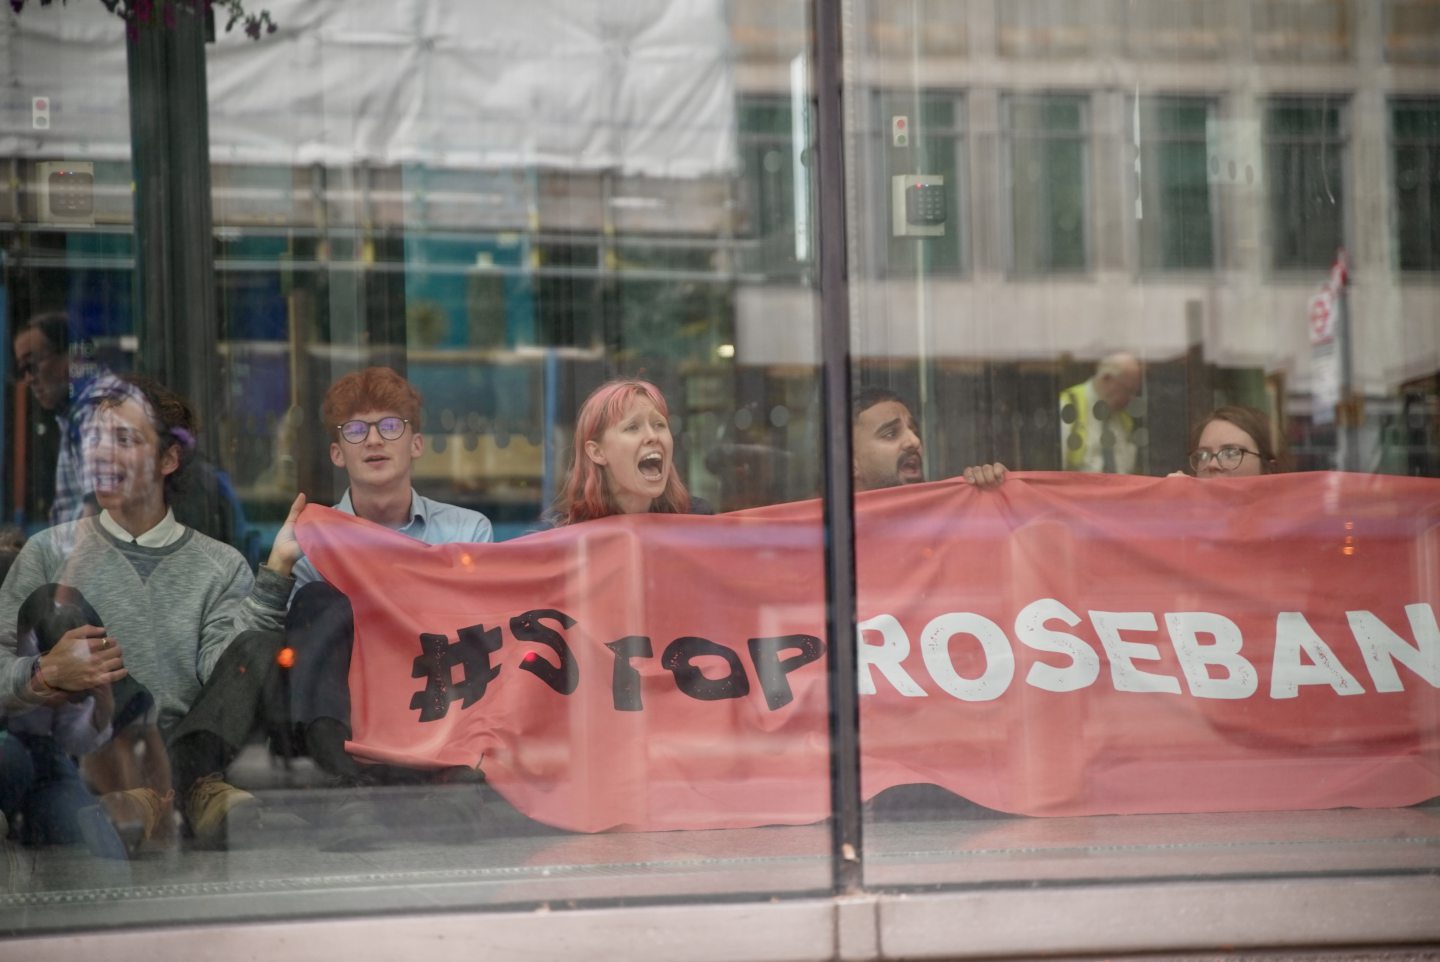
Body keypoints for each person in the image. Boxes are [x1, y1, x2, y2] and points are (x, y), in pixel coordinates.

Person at [0, 374, 303, 855]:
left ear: (168, 459)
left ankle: (176, 792)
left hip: (186, 762)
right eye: (94, 439)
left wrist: (277, 572)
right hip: (81, 769)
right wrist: (43, 673)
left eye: (124, 439)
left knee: (257, 646)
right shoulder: (48, 554)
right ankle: (156, 798)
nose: (102, 454)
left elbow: (225, 674)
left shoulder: (219, 566)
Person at [271, 367, 494, 850]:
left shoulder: (468, 530)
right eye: (355, 429)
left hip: (437, 709)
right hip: (357, 718)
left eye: (390, 425)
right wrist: (278, 567)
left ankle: (455, 776)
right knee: (314, 601)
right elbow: (276, 650)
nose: (374, 439)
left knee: (475, 616)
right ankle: (345, 788)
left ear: (415, 443)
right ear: (337, 453)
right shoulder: (313, 544)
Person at [11, 312, 125, 527]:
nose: (29, 379)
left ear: (72, 355)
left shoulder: (97, 407)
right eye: (22, 370)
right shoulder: (78, 412)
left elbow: (97, 513)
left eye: (32, 365)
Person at [549, 378, 712, 525]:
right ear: (597, 452)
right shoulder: (559, 534)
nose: (652, 436)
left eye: (659, 425)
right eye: (633, 427)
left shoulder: (698, 519)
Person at [851, 386, 1007, 492]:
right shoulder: (829, 533)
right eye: (891, 434)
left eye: (915, 431)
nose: (914, 441)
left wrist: (996, 497)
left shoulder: (948, 519)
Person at [1059, 352, 1143, 474]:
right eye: (1127, 390)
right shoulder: (1069, 405)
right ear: (1106, 379)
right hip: (1078, 490)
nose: (1130, 398)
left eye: (1134, 392)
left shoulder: (1123, 417)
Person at [1180, 405, 1288, 478]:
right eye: (1203, 455)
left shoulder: (1290, 512)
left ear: (1269, 469)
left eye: (1231, 453)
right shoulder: (1183, 509)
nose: (1211, 464)